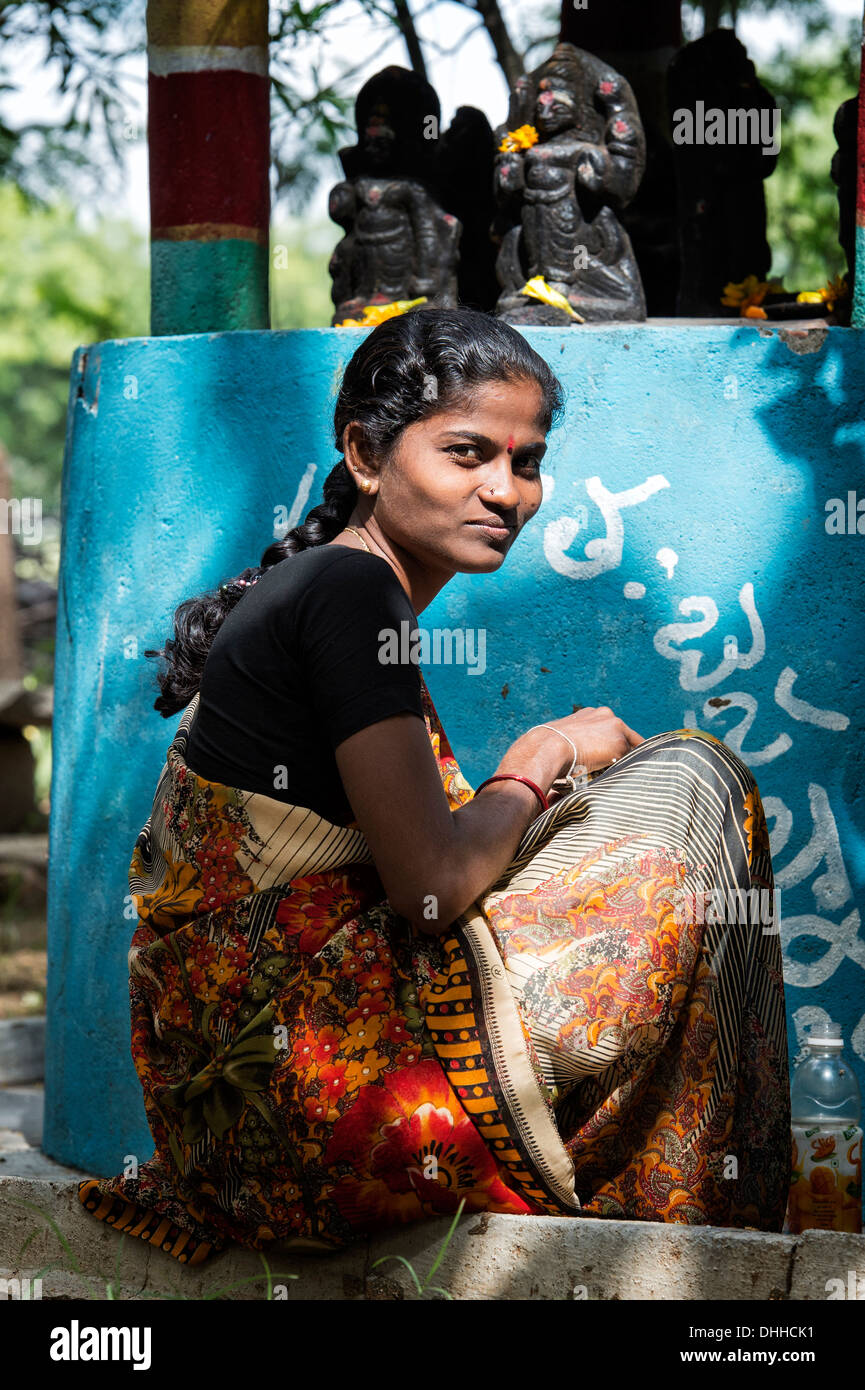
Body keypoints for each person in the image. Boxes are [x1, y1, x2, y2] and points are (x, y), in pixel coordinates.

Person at [78, 306, 790, 1266]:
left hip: (238, 1127)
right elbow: (429, 890)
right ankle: (705, 1224)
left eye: (526, 461)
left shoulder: (336, 593)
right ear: (365, 454)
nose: (504, 490)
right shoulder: (347, 592)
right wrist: (538, 758)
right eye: (465, 454)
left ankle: (675, 1208)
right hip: (308, 1112)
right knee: (696, 782)